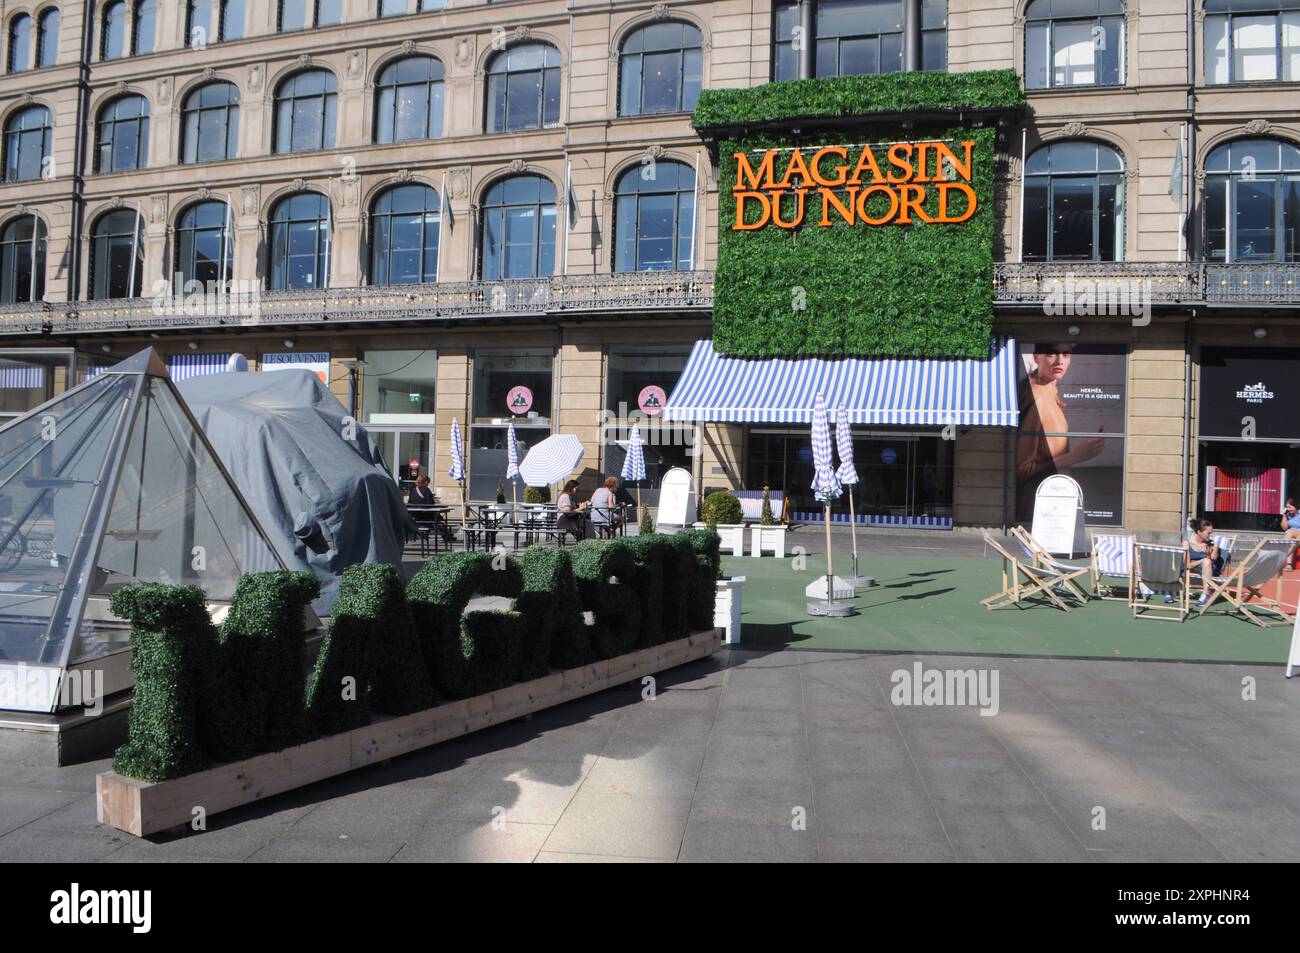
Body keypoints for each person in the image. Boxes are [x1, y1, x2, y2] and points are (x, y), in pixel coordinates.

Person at [1015, 343, 1105, 521]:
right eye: (1051, 354)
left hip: (1052, 499)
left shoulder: (1049, 389)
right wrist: (1076, 456)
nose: (1059, 361)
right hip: (1039, 506)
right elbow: (1021, 470)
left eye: (1066, 354)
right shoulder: (1038, 398)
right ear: (1036, 357)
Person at [1184, 517, 1224, 607]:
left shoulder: (1212, 544)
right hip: (1189, 569)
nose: (1210, 536)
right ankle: (1172, 590)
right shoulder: (1187, 543)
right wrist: (1202, 560)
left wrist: (1210, 554)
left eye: (1211, 533)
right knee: (1205, 561)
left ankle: (1205, 594)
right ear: (1199, 532)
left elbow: (1213, 560)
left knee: (1207, 561)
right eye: (1208, 533)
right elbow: (1188, 565)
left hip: (1208, 569)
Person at [1282, 498, 1300, 570]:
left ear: (1295, 506)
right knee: (1291, 539)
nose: (1288, 509)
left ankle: (1282, 556)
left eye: (1289, 507)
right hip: (1295, 536)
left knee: (1290, 531)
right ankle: (1289, 565)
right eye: (1286, 507)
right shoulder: (1289, 515)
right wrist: (1284, 515)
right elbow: (1284, 527)